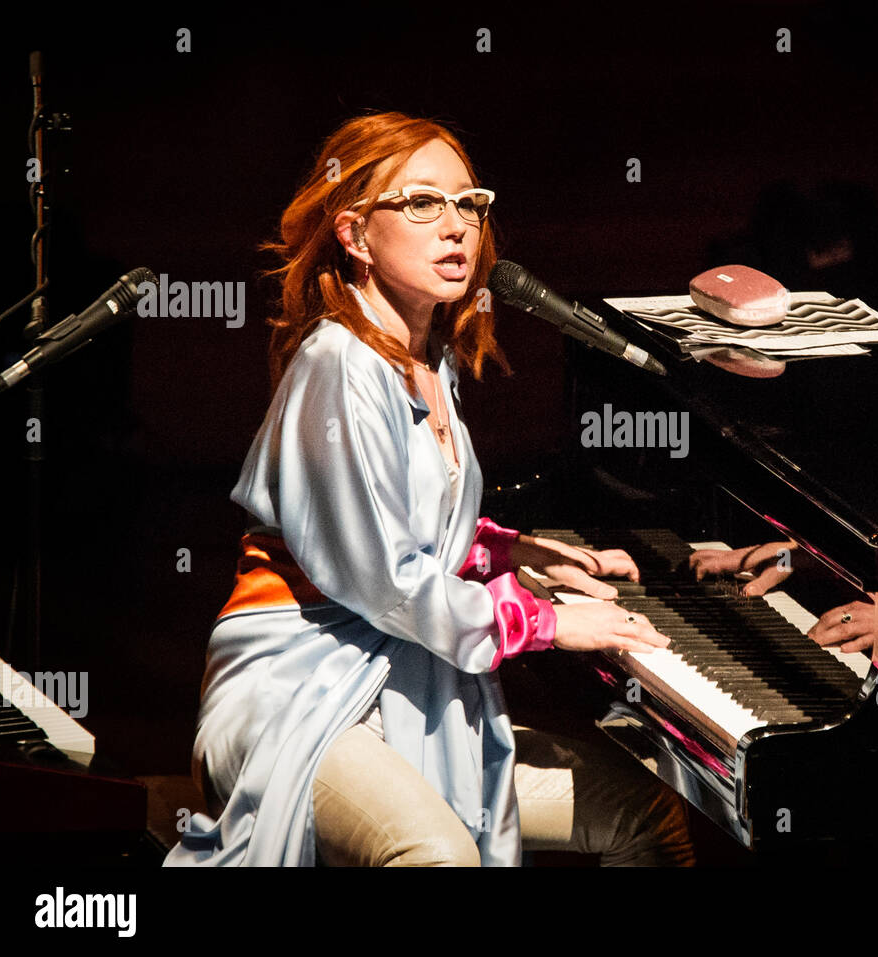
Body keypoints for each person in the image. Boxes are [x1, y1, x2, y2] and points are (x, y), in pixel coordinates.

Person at [165, 112, 694, 866]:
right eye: (422, 204)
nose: (457, 228)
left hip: (397, 679)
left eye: (469, 204)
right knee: (437, 856)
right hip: (303, 691)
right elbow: (383, 576)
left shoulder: (427, 361)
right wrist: (543, 622)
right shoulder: (337, 363)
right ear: (353, 233)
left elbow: (410, 522)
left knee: (645, 815)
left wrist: (517, 554)